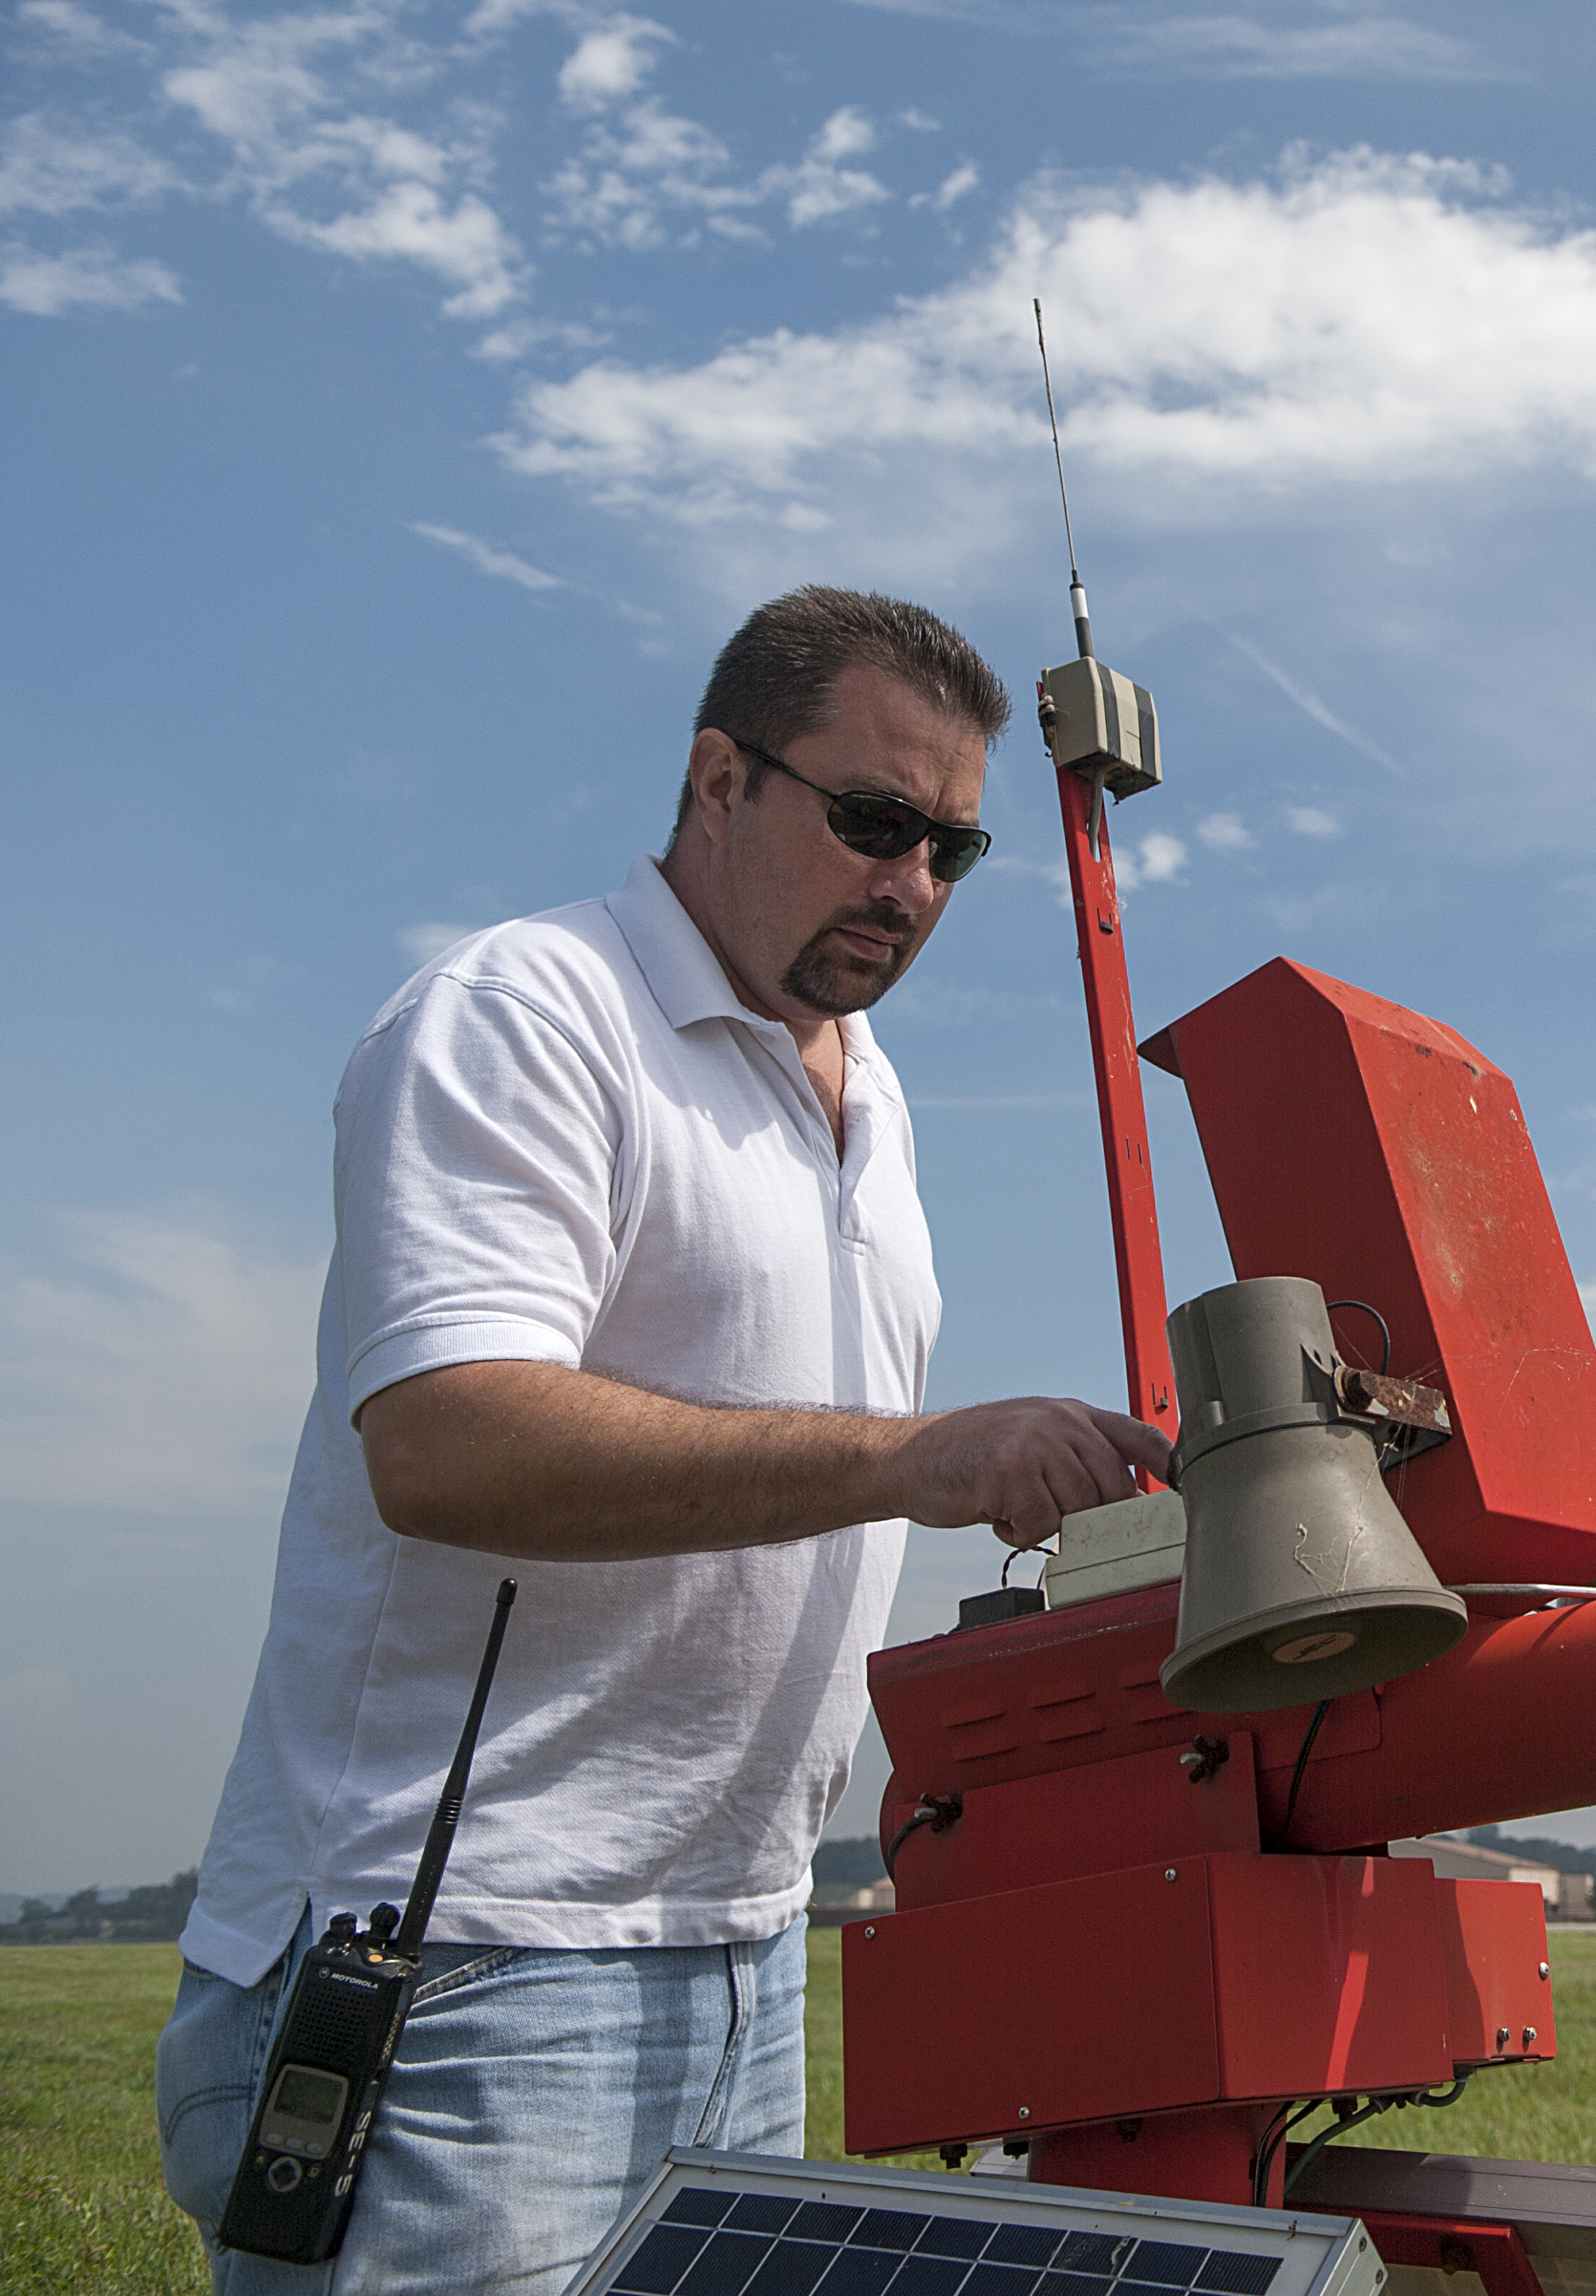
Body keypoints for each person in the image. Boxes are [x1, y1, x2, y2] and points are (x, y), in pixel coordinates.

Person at [155, 587, 1173, 2292]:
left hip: (739, 1947)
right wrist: (910, 1460)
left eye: (953, 852)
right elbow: (446, 1440)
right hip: (473, 1966)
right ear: (718, 780)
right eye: (871, 823)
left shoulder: (874, 1090)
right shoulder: (523, 1014)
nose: (911, 885)